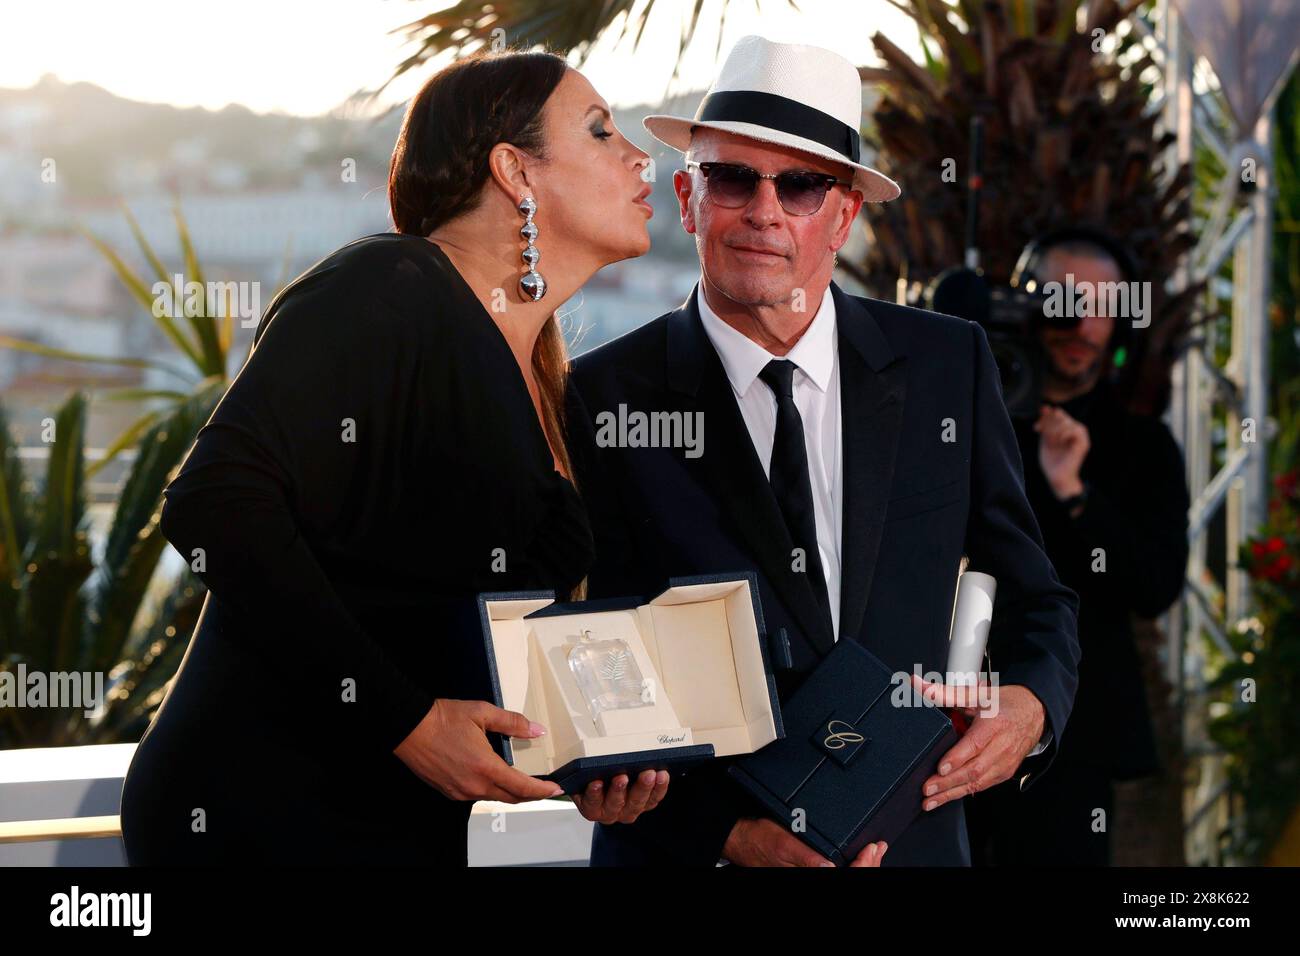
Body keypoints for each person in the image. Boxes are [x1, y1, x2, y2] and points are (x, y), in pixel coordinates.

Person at [120, 49, 668, 865]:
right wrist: (406, 724)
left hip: (406, 823)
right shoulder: (391, 284)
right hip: (263, 810)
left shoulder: (553, 387)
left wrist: (592, 756)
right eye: (600, 132)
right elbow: (214, 504)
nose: (639, 158)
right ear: (515, 171)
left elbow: (447, 620)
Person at [566, 34, 1081, 867]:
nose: (764, 212)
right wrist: (728, 835)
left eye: (801, 185)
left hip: (909, 846)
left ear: (844, 216)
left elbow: (1037, 596)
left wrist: (1032, 705)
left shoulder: (946, 367)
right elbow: (570, 658)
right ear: (688, 198)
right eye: (734, 178)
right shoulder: (599, 396)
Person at [964, 228, 1190, 866]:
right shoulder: (964, 417)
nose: (1080, 324)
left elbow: (1155, 587)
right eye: (1060, 301)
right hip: (942, 712)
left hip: (1073, 734)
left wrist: (1077, 495)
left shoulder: (1143, 447)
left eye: (1101, 306)